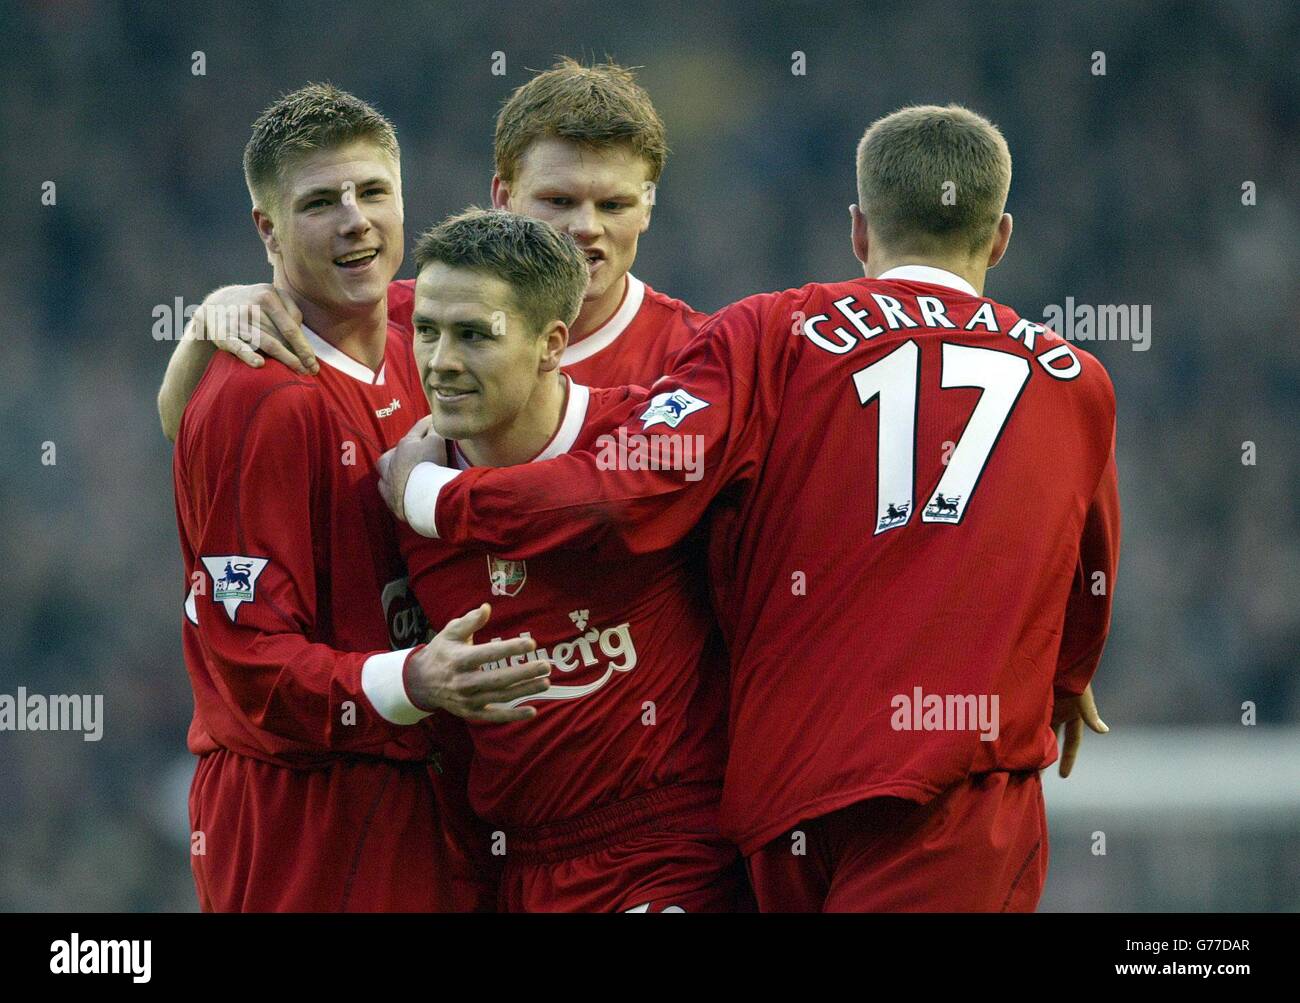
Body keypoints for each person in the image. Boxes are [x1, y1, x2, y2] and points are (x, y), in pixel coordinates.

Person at [382, 105, 1121, 912]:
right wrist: (1066, 678)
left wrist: (433, 495)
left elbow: (624, 484)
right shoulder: (1075, 379)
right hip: (956, 787)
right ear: (1001, 236)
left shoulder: (770, 332)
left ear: (858, 229)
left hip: (786, 799)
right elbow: (1087, 577)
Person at [172, 84, 546, 912]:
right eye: (319, 203)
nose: (356, 220)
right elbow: (249, 662)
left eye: (373, 191)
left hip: (435, 781)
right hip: (308, 810)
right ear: (266, 228)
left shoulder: (433, 328)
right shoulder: (260, 401)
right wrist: (412, 678)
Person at [382, 207, 743, 912]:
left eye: (473, 336)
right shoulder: (400, 487)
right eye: (426, 331)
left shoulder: (637, 439)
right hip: (518, 867)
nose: (440, 361)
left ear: (552, 344)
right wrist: (221, 317)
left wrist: (434, 497)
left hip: (669, 853)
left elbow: (594, 505)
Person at [157, 59, 699, 438]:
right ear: (502, 199)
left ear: (648, 207)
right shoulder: (405, 319)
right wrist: (209, 324)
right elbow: (197, 426)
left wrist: (427, 498)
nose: (585, 228)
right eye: (557, 200)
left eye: (614, 206)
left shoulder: (691, 356)